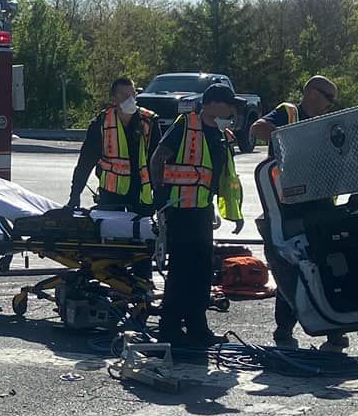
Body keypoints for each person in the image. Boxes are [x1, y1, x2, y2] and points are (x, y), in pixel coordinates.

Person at [251, 75, 349, 352]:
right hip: (289, 206)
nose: (330, 104)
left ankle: (334, 331)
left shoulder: (327, 123)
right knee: (290, 265)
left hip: (320, 205)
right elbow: (258, 129)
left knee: (326, 263)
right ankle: (284, 329)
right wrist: (294, 139)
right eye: (327, 97)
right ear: (312, 93)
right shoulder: (288, 113)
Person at [150, 81, 243, 350]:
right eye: (227, 103)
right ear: (212, 103)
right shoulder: (186, 124)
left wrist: (234, 213)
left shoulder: (221, 134)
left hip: (201, 212)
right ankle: (169, 328)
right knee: (181, 271)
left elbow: (226, 178)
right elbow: (159, 158)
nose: (230, 109)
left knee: (201, 272)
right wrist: (160, 197)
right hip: (180, 211)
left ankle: (197, 327)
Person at [68, 75, 158, 212]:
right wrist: (75, 195)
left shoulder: (149, 121)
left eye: (132, 94)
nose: (130, 99)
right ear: (113, 99)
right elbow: (85, 163)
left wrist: (160, 194)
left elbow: (158, 161)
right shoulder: (102, 124)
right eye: (124, 95)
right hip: (111, 196)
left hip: (141, 195)